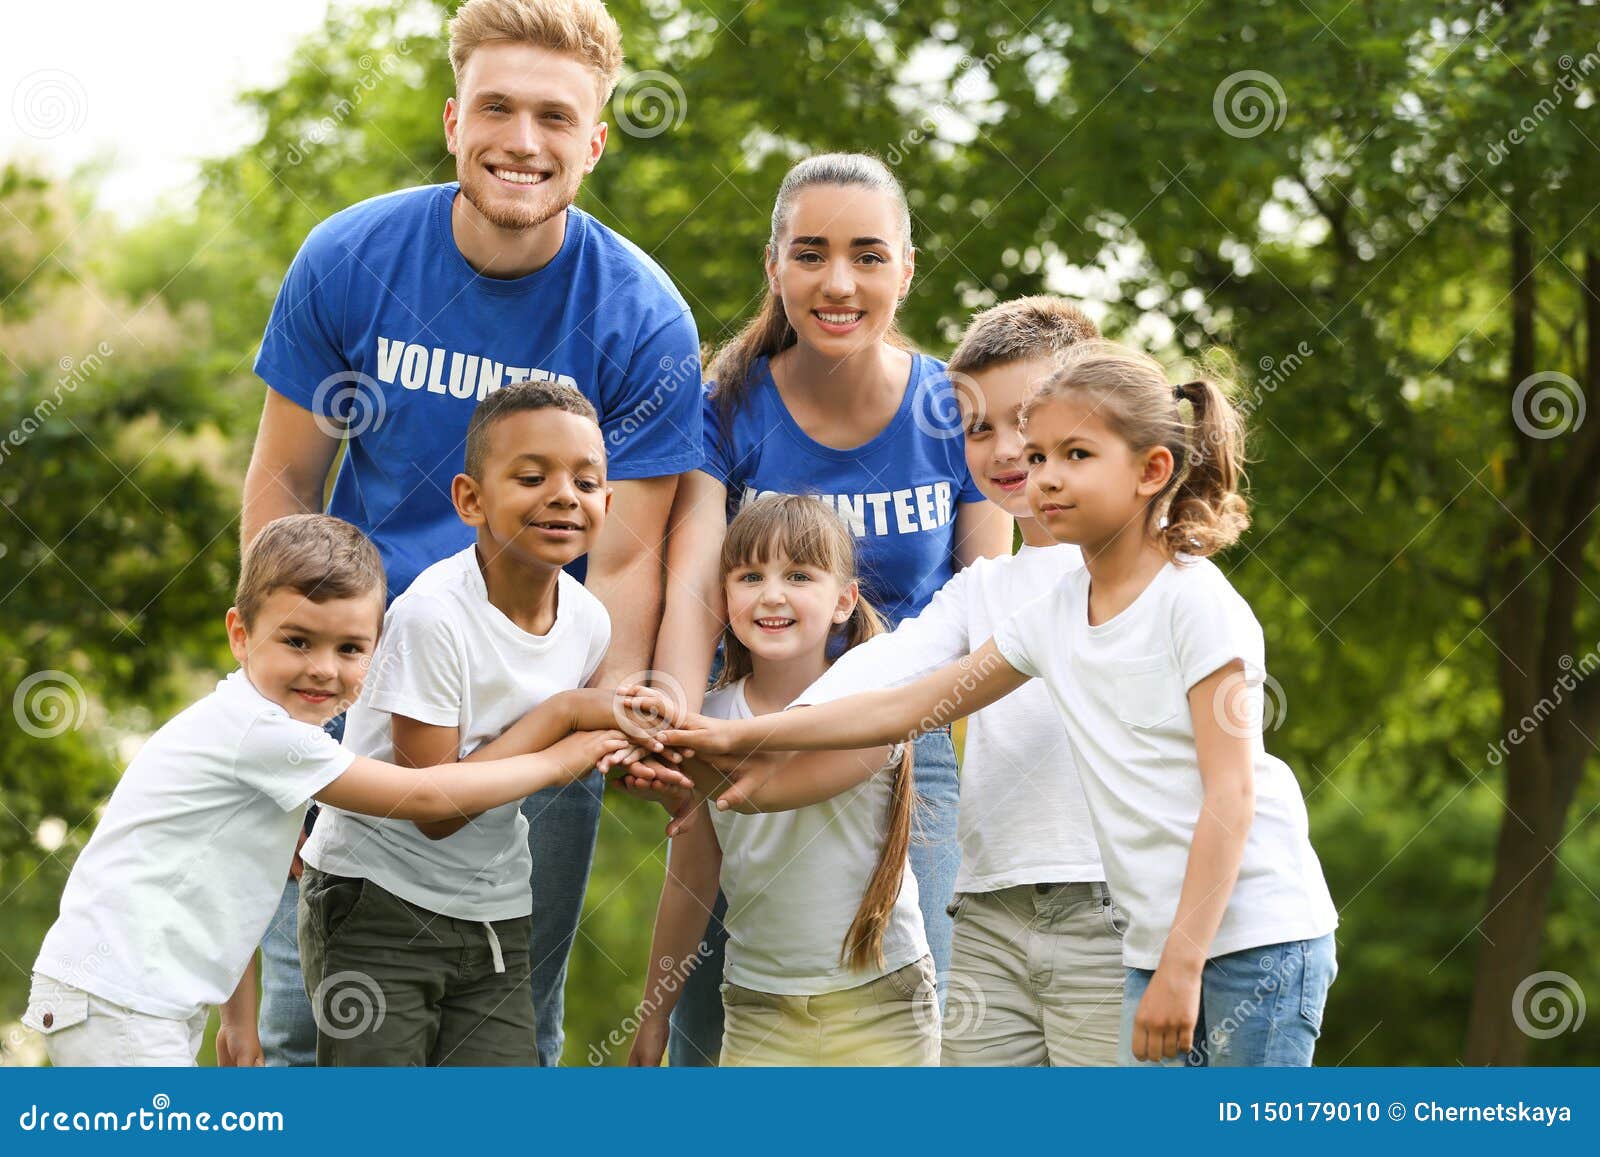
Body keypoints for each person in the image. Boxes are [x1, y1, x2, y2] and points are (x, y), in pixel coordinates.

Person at [651, 339, 1340, 1067]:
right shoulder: (1050, 610)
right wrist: (736, 739)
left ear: (1153, 469)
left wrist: (1181, 964)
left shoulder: (1196, 600)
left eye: (1073, 455)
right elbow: (905, 703)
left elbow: (1231, 794)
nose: (1040, 474)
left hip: (1252, 933)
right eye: (1036, 456)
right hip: (1154, 939)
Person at [242, 0, 701, 1066]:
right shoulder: (350, 257)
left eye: (555, 116)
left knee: (504, 1028)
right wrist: (288, 686)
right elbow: (286, 478)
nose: (522, 141)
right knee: (310, 1024)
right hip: (352, 697)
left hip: (532, 709)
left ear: (593, 141)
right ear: (454, 119)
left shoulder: (641, 315)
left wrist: (603, 715)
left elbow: (630, 553)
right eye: (497, 107)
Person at [21, 514, 630, 1067]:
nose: (323, 668)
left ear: (377, 650)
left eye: (350, 649)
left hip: (138, 997)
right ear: (240, 633)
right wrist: (559, 752)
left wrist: (237, 1022)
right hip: (120, 996)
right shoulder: (266, 737)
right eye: (297, 641)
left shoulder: (258, 730)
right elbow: (424, 797)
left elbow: (219, 889)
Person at [652, 152, 1013, 1064]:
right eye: (810, 253)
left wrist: (899, 732)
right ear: (774, 265)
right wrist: (680, 727)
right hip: (746, 728)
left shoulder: (953, 407)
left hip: (904, 750)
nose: (839, 282)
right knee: (718, 1027)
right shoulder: (726, 403)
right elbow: (695, 577)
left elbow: (988, 602)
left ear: (907, 267)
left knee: (899, 1014)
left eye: (868, 255)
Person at [789, 296, 1124, 1065]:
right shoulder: (984, 587)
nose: (1006, 448)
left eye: (1027, 419)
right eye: (978, 428)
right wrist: (740, 732)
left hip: (1110, 904)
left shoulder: (1139, 569)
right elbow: (884, 667)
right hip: (989, 906)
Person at [627, 496, 936, 1066]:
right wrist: (654, 1014)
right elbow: (691, 881)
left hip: (883, 1000)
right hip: (758, 1006)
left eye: (798, 575)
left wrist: (676, 753)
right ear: (725, 599)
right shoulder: (711, 714)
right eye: (750, 576)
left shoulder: (868, 705)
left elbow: (762, 789)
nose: (771, 594)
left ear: (844, 600)